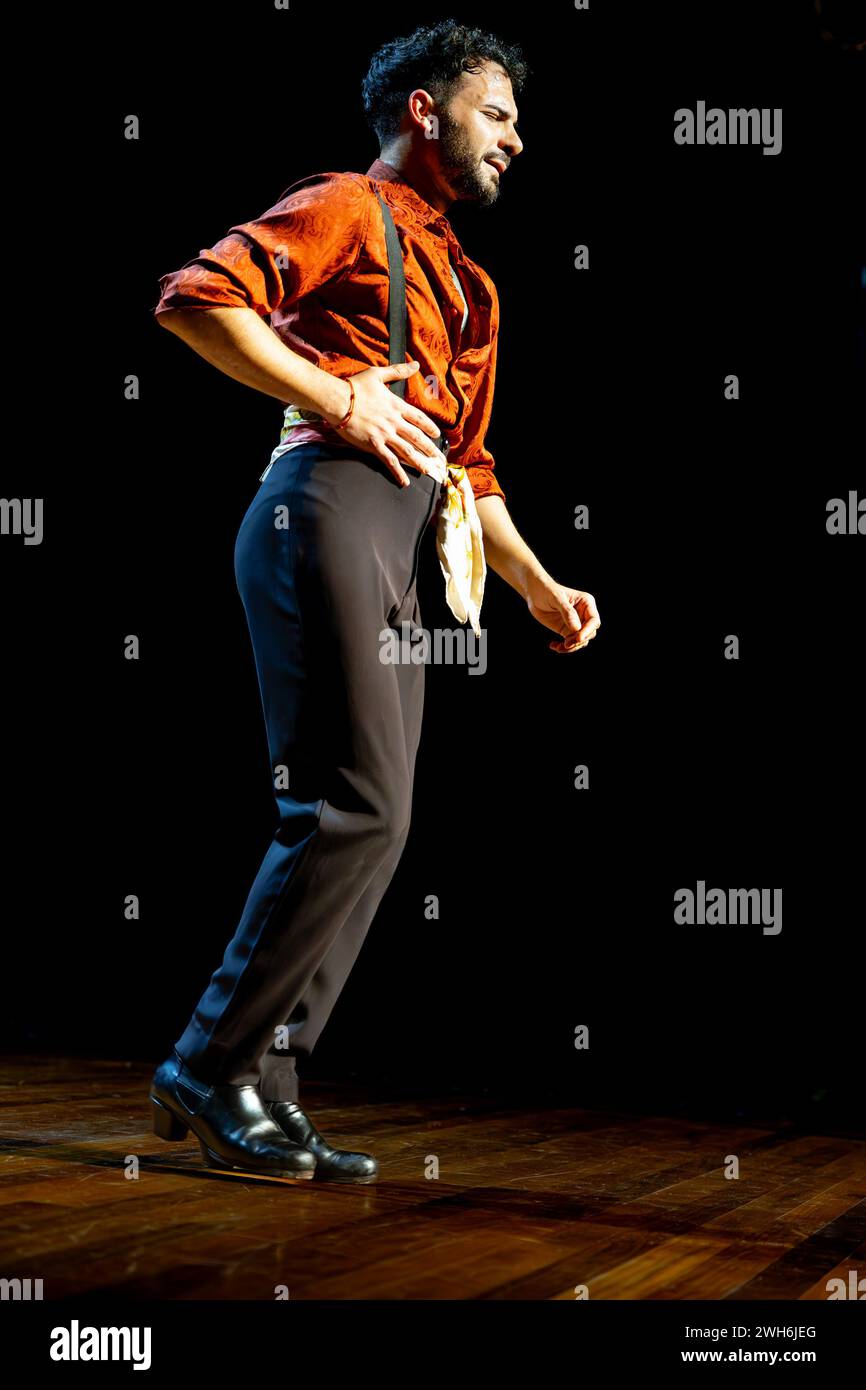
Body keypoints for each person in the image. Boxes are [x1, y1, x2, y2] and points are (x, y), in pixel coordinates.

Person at [149, 19, 601, 1184]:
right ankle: (211, 1060)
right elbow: (195, 299)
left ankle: (266, 1075)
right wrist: (334, 397)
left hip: (408, 536)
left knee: (380, 817)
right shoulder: (347, 205)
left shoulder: (472, 287)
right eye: (493, 112)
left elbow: (469, 467)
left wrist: (541, 589)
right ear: (422, 108)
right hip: (323, 508)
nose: (514, 136)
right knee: (346, 803)